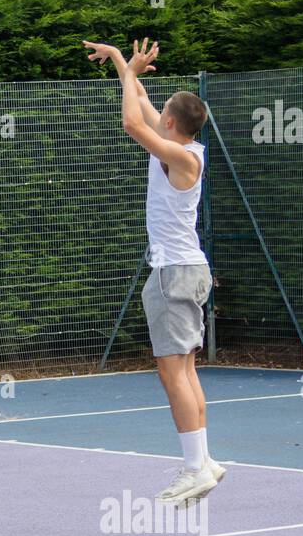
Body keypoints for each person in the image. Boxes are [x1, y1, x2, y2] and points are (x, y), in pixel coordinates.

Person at [82, 38, 226, 504]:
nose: (154, 108)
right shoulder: (183, 147)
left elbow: (129, 119)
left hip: (174, 274)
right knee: (184, 368)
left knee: (171, 372)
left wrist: (128, 76)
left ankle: (193, 468)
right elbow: (140, 102)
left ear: (169, 123)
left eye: (161, 110)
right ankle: (203, 461)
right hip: (188, 270)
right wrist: (124, 63)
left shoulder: (180, 158)